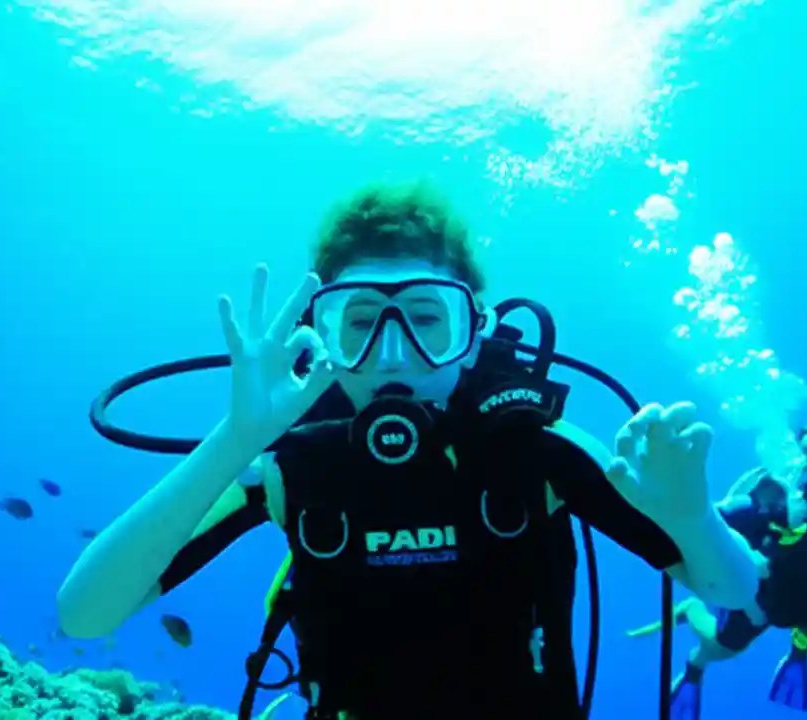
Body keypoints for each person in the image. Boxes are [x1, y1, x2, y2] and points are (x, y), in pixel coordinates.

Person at [58, 181, 761, 720]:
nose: (392, 353)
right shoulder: (289, 469)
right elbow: (84, 615)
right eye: (359, 321)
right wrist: (234, 440)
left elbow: (735, 593)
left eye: (427, 318)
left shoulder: (538, 453)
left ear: (474, 329)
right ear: (319, 335)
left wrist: (695, 519)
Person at [630, 432, 807, 719]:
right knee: (724, 648)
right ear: (798, 488)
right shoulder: (767, 510)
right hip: (757, 600)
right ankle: (694, 643)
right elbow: (706, 519)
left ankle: (798, 653)